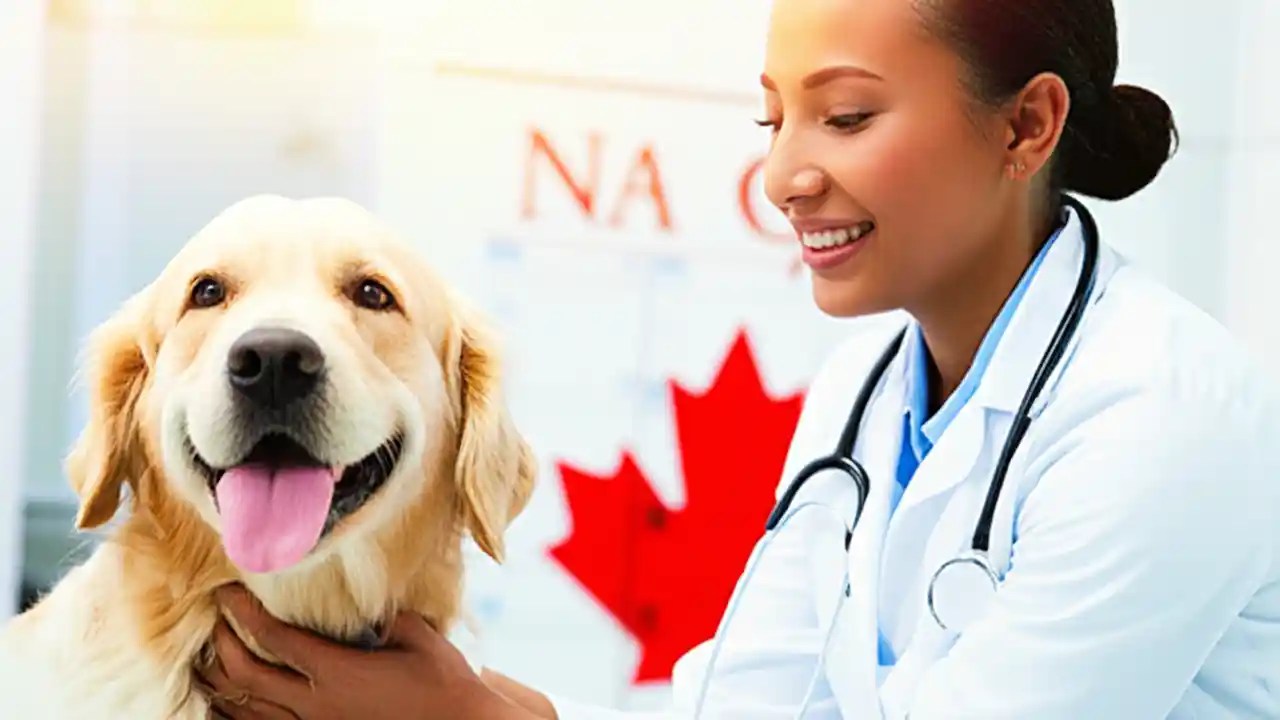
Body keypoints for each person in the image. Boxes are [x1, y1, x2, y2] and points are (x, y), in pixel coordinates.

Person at [198, 0, 1280, 717]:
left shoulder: (1159, 419)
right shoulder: (860, 394)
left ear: (1025, 126)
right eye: (774, 121)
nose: (783, 177)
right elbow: (752, 704)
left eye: (844, 117)